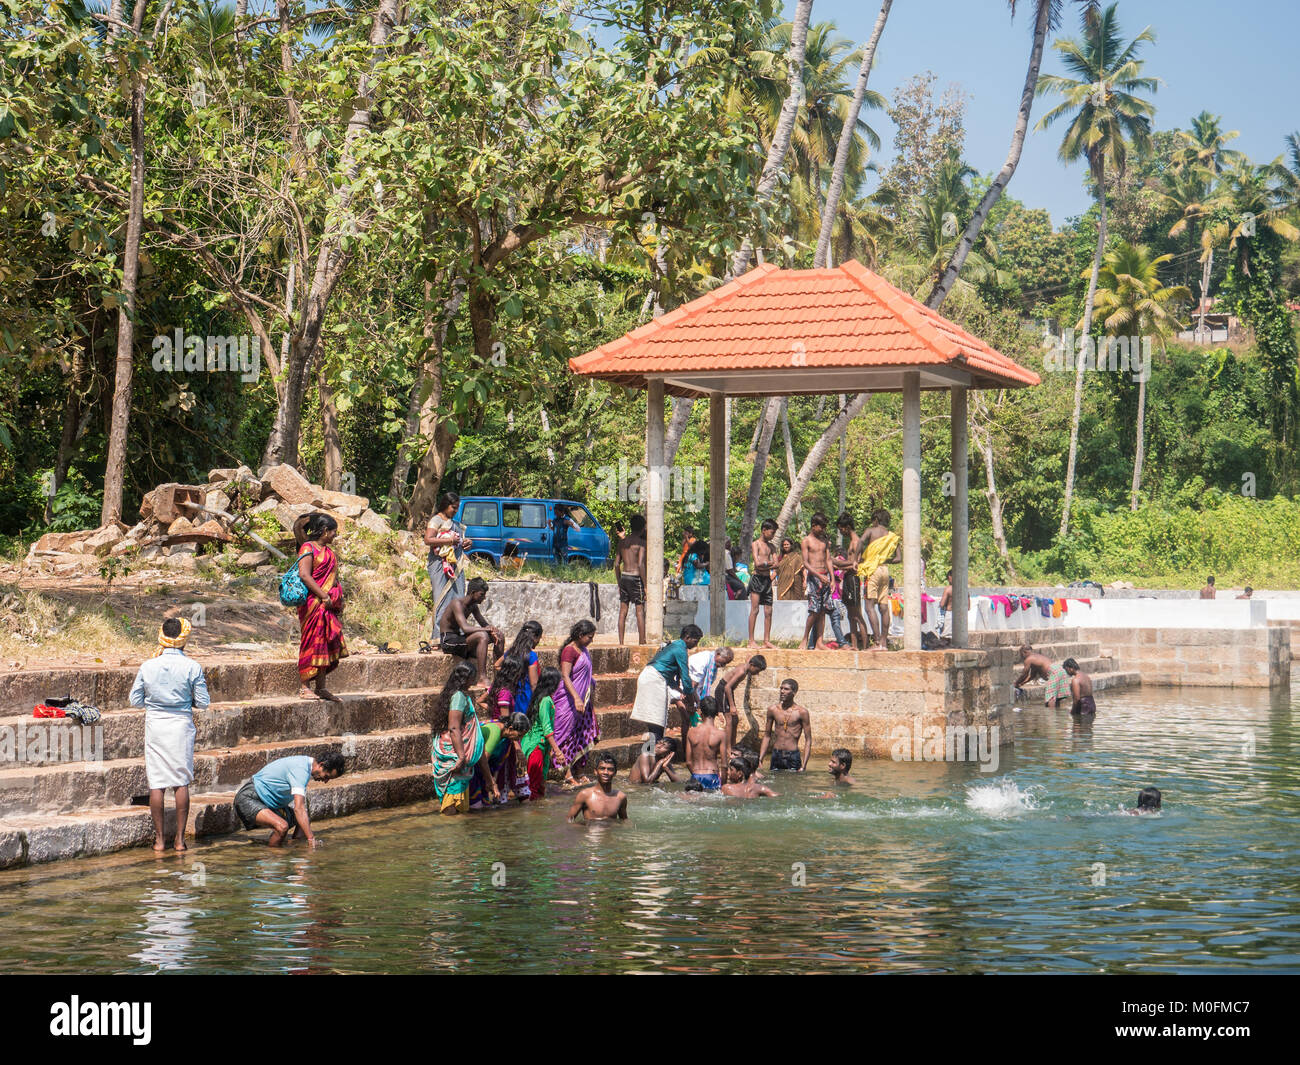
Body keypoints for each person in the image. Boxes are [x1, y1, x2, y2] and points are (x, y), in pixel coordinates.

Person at [130, 617, 210, 852]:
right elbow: (203, 703)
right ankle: (179, 841)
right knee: (180, 781)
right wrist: (185, 700)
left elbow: (135, 700)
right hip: (180, 726)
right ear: (184, 637)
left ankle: (159, 841)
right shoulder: (192, 667)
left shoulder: (148, 666)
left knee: (157, 783)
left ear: (162, 636)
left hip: (156, 725)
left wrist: (155, 701)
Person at [629, 624, 702, 779]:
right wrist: (691, 702)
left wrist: (682, 692)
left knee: (655, 728)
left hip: (653, 679)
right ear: (687, 637)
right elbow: (686, 677)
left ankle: (649, 764)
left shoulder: (675, 646)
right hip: (654, 680)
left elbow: (673, 678)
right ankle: (651, 765)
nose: (696, 645)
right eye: (695, 641)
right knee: (656, 728)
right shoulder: (680, 649)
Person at [430, 661, 498, 815]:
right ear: (467, 678)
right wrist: (461, 756)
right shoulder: (459, 696)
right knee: (452, 803)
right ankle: (454, 833)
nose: (474, 681)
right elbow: (454, 727)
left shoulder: (455, 694)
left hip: (454, 748)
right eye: (473, 677)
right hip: (455, 751)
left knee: (454, 801)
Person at [234, 753, 346, 847]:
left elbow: (301, 815)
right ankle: (271, 857)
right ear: (321, 765)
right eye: (326, 776)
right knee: (282, 827)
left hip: (269, 804)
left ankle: (294, 849)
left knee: (304, 822)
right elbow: (299, 809)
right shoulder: (301, 770)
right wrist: (311, 840)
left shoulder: (305, 767)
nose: (325, 781)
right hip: (249, 798)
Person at [295, 512, 347, 699]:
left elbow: (333, 578)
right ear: (325, 531)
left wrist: (335, 597)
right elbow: (305, 575)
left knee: (324, 643)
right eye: (334, 532)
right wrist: (324, 595)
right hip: (312, 604)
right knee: (310, 642)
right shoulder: (308, 548)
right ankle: (305, 687)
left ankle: (321, 687)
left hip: (327, 605)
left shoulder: (329, 552)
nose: (335, 535)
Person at [553, 620, 600, 786]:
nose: (591, 640)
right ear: (580, 636)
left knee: (582, 734)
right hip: (569, 700)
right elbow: (565, 676)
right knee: (567, 736)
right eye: (589, 637)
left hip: (584, 701)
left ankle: (579, 771)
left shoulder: (584, 649)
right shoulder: (569, 651)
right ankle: (566, 773)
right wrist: (576, 698)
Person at [425, 491, 470, 641]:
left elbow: (459, 543)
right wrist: (448, 541)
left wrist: (466, 543)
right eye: (453, 507)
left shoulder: (455, 524)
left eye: (457, 508)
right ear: (445, 505)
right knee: (441, 600)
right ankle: (438, 637)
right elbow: (428, 540)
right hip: (439, 565)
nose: (455, 511)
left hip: (455, 566)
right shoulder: (436, 520)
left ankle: (454, 634)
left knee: (458, 599)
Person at [438, 577, 505, 679]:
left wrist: (492, 630)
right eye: (482, 594)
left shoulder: (473, 606)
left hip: (459, 638)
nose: (484, 598)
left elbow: (484, 624)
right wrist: (486, 630)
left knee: (499, 635)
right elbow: (465, 628)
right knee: (482, 635)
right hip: (448, 640)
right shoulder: (457, 603)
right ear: (473, 592)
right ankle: (482, 677)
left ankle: (500, 674)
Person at [521, 667, 568, 798]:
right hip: (536, 745)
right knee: (534, 788)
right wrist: (557, 751)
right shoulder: (545, 700)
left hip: (541, 746)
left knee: (540, 785)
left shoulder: (541, 697)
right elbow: (547, 729)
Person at [858, 509, 901, 651]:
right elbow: (898, 558)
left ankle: (876, 643)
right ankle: (883, 643)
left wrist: (856, 559)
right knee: (883, 607)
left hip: (873, 571)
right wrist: (883, 559)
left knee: (869, 607)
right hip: (885, 571)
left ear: (876, 519)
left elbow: (860, 542)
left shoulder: (871, 531)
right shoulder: (892, 537)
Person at [469, 712, 531, 808]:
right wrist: (492, 783)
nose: (519, 739)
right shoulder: (495, 732)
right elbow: (483, 760)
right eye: (519, 735)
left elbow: (497, 763)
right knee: (476, 806)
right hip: (472, 767)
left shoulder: (506, 739)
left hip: (483, 771)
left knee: (485, 805)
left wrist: (493, 781)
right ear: (510, 729)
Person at [758, 678, 811, 771]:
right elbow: (767, 736)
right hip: (776, 754)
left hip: (793, 755)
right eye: (781, 688)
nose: (782, 691)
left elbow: (808, 739)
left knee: (792, 783)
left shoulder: (802, 712)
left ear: (794, 692)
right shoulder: (772, 709)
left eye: (786, 689)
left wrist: (804, 765)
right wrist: (760, 759)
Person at [714, 653, 767, 745]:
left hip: (727, 692)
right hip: (723, 691)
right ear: (752, 665)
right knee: (729, 720)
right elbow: (727, 687)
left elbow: (748, 662)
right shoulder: (742, 672)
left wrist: (748, 658)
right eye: (757, 671)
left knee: (735, 720)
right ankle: (728, 749)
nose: (757, 674)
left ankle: (733, 745)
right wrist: (732, 706)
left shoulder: (746, 666)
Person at [833, 513, 867, 650]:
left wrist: (837, 563)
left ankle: (864, 646)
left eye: (841, 529)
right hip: (847, 578)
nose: (841, 532)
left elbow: (856, 563)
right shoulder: (851, 542)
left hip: (853, 579)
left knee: (857, 615)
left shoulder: (857, 542)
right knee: (850, 615)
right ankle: (854, 646)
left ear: (847, 527)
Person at [801, 513, 833, 650]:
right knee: (814, 611)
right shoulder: (806, 541)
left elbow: (828, 560)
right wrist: (819, 577)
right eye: (821, 527)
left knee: (823, 611)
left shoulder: (824, 541)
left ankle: (820, 641)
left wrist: (832, 579)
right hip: (814, 578)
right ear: (814, 526)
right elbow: (806, 563)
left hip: (825, 577)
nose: (823, 530)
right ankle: (805, 639)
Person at [496, 621, 543, 713]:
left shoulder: (512, 651)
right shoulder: (532, 656)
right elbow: (534, 684)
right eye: (539, 638)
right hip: (526, 696)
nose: (538, 642)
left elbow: (497, 665)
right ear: (534, 637)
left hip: (513, 694)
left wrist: (511, 674)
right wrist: (539, 702)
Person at [685, 695, 728, 790]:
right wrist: (723, 785)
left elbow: (688, 762)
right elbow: (724, 765)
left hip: (696, 775)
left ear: (700, 712)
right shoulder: (720, 734)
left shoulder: (691, 732)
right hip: (712, 776)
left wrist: (697, 779)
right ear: (717, 713)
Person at [567, 753, 627, 822]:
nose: (606, 772)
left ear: (615, 773)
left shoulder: (620, 797)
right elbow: (568, 821)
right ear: (595, 771)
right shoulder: (585, 795)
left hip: (610, 832)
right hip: (590, 832)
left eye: (610, 769)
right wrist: (583, 828)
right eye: (602, 768)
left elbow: (624, 821)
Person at [616, 514, 647, 644]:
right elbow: (640, 564)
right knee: (639, 611)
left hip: (624, 577)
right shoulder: (641, 543)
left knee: (623, 611)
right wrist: (645, 585)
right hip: (635, 578)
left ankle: (621, 642)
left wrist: (619, 582)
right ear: (642, 528)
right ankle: (642, 642)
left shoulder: (622, 542)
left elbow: (617, 564)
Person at [747, 519, 778, 648]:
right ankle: (751, 641)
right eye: (771, 533)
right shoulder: (756, 544)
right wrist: (768, 564)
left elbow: (777, 564)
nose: (773, 536)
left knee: (768, 611)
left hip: (767, 580)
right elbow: (757, 564)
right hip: (757, 579)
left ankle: (766, 640)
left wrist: (766, 564)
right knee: (755, 610)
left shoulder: (772, 547)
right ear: (764, 530)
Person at [775, 535, 805, 601]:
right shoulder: (780, 557)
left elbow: (803, 570)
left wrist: (805, 581)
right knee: (782, 600)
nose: (786, 546)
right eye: (784, 545)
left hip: (795, 585)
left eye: (787, 544)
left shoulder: (797, 557)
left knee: (795, 602)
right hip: (782, 584)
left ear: (791, 545)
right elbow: (776, 570)